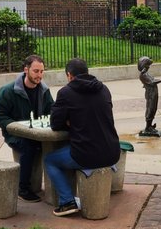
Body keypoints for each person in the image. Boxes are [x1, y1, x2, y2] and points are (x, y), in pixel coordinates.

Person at [44, 58, 120, 217]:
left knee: (50, 160)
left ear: (69, 75)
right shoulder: (104, 89)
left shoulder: (65, 92)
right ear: (87, 72)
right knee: (70, 152)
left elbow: (55, 124)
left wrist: (68, 122)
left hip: (87, 154)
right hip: (112, 152)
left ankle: (67, 202)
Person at [0, 54, 54, 203]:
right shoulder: (8, 91)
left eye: (42, 71)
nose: (39, 75)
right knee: (29, 147)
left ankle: (54, 188)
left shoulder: (44, 90)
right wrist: (15, 127)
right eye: (36, 71)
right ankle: (23, 188)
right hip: (16, 134)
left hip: (38, 132)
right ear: (26, 70)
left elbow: (52, 110)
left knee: (54, 146)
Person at [137, 56, 161, 137]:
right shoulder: (143, 75)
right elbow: (152, 82)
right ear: (143, 65)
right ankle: (147, 127)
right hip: (150, 94)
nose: (148, 67)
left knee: (154, 108)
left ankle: (150, 126)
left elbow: (153, 80)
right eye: (147, 65)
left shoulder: (146, 73)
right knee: (150, 109)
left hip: (154, 92)